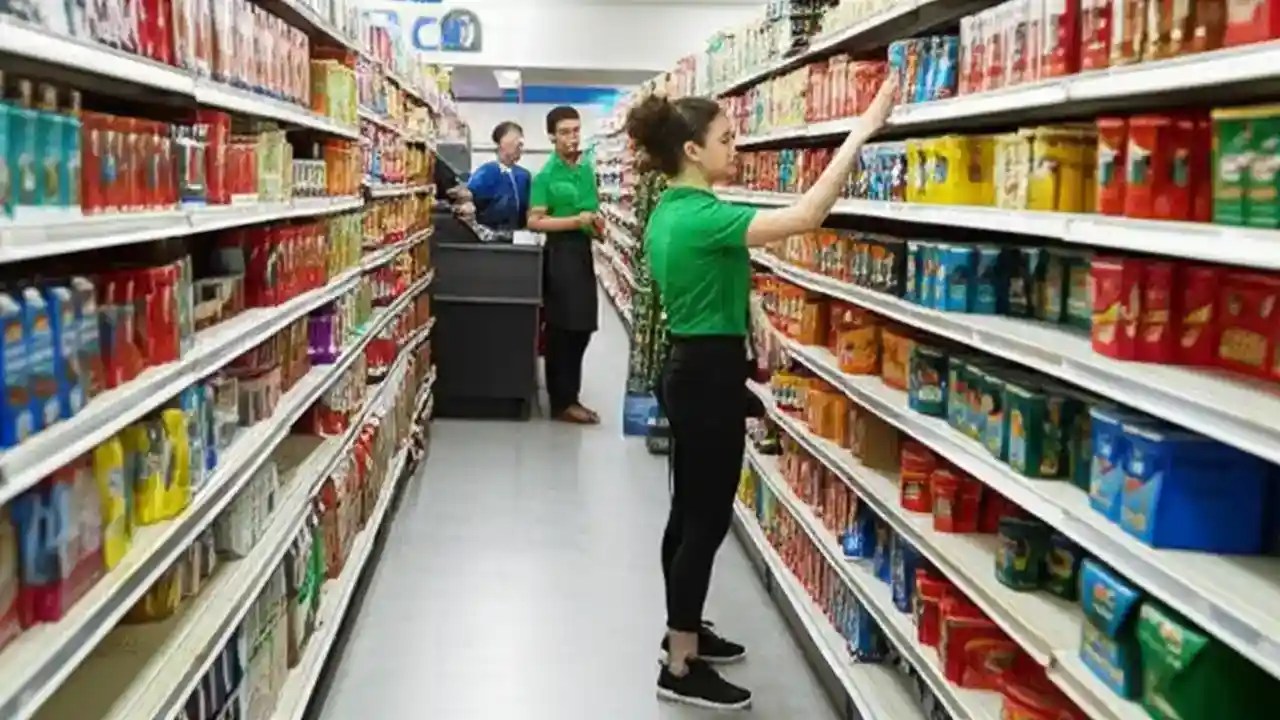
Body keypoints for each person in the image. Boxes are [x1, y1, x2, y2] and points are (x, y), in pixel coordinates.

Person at [626, 75, 896, 710]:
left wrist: (753, 308)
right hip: (709, 378)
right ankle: (682, 665)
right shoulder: (707, 215)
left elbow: (712, 266)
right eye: (725, 138)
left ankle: (681, 633)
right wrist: (861, 130)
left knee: (686, 509)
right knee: (706, 519)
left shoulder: (669, 209)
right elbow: (806, 217)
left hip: (689, 366)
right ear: (692, 150)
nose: (735, 146)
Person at [527, 106, 602, 424]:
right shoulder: (545, 176)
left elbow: (591, 211)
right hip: (559, 256)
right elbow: (535, 222)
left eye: (575, 130)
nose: (572, 138)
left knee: (583, 327)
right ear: (551, 137)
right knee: (563, 328)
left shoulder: (585, 171)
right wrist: (575, 221)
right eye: (565, 132)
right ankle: (563, 401)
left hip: (583, 253)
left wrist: (597, 226)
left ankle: (567, 394)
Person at [465, 121, 532, 230]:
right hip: (491, 237)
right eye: (515, 140)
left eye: (521, 143)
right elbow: (468, 199)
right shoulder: (487, 172)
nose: (519, 145)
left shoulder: (523, 176)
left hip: (518, 236)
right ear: (501, 143)